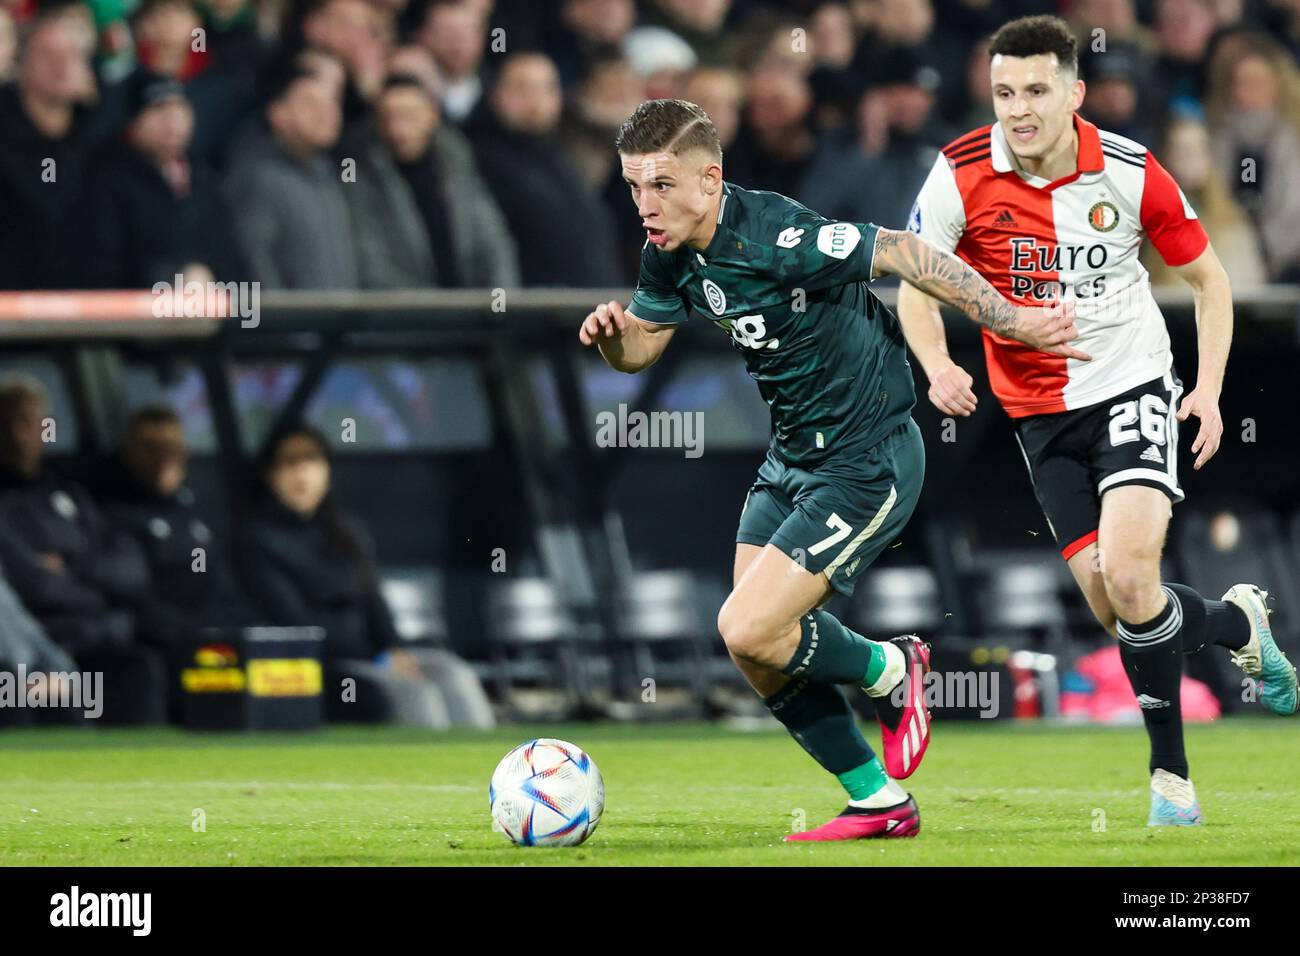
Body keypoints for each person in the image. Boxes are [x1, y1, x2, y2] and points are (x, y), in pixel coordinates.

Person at [578, 98, 1081, 840]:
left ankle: (889, 668)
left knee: (746, 625)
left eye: (659, 185)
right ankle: (878, 802)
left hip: (866, 459)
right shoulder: (670, 250)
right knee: (756, 649)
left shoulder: (780, 232)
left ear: (710, 179)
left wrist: (1014, 320)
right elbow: (644, 346)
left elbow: (907, 253)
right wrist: (612, 339)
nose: (643, 206)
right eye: (632, 187)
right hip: (791, 460)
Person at [895, 15, 1299, 828]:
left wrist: (1209, 390)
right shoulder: (958, 171)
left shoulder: (1129, 170)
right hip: (1038, 417)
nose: (1018, 108)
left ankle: (1171, 781)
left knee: (1133, 576)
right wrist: (938, 364)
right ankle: (1233, 621)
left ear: (1074, 92)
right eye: (1004, 91)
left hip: (1132, 385)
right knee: (1121, 608)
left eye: (1036, 90)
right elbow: (914, 278)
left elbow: (1212, 283)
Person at [239, 425, 493, 728]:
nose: (302, 472)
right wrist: (381, 661)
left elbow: (373, 600)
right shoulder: (257, 539)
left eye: (311, 460)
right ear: (270, 475)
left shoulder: (347, 531)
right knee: (416, 695)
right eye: (289, 463)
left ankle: (488, 771)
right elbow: (295, 624)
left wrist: (395, 650)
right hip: (324, 668)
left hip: (375, 658)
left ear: (327, 471)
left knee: (455, 675)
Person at [0, 376, 165, 724]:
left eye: (32, 421)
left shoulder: (71, 495)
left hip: (98, 636)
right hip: (45, 637)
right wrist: (96, 589)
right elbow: (35, 584)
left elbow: (132, 572)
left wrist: (72, 566)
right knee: (37, 685)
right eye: (12, 421)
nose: (20, 435)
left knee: (142, 667)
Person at [346, 74, 519, 289]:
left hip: (472, 312)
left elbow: (492, 240)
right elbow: (372, 263)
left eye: (409, 116)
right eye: (388, 118)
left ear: (432, 115)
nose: (398, 129)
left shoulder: (458, 165)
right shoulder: (363, 178)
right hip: (410, 316)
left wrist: (500, 304)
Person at [99, 406, 252, 646]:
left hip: (215, 633)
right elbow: (134, 596)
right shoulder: (112, 515)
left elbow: (222, 582)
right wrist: (191, 631)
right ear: (130, 452)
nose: (163, 458)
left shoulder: (198, 512)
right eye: (151, 449)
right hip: (159, 641)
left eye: (171, 448)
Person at [81, 74, 240, 288]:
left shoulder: (203, 175)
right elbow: (104, 268)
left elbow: (228, 254)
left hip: (210, 312)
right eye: (158, 109)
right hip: (140, 315)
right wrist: (171, 280)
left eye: (179, 108)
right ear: (133, 121)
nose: (171, 120)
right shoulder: (108, 180)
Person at [223, 66, 359, 289]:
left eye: (332, 102)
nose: (326, 112)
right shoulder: (256, 178)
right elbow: (255, 267)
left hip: (338, 321)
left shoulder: (329, 174)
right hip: (288, 321)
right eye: (310, 104)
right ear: (277, 113)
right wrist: (281, 321)